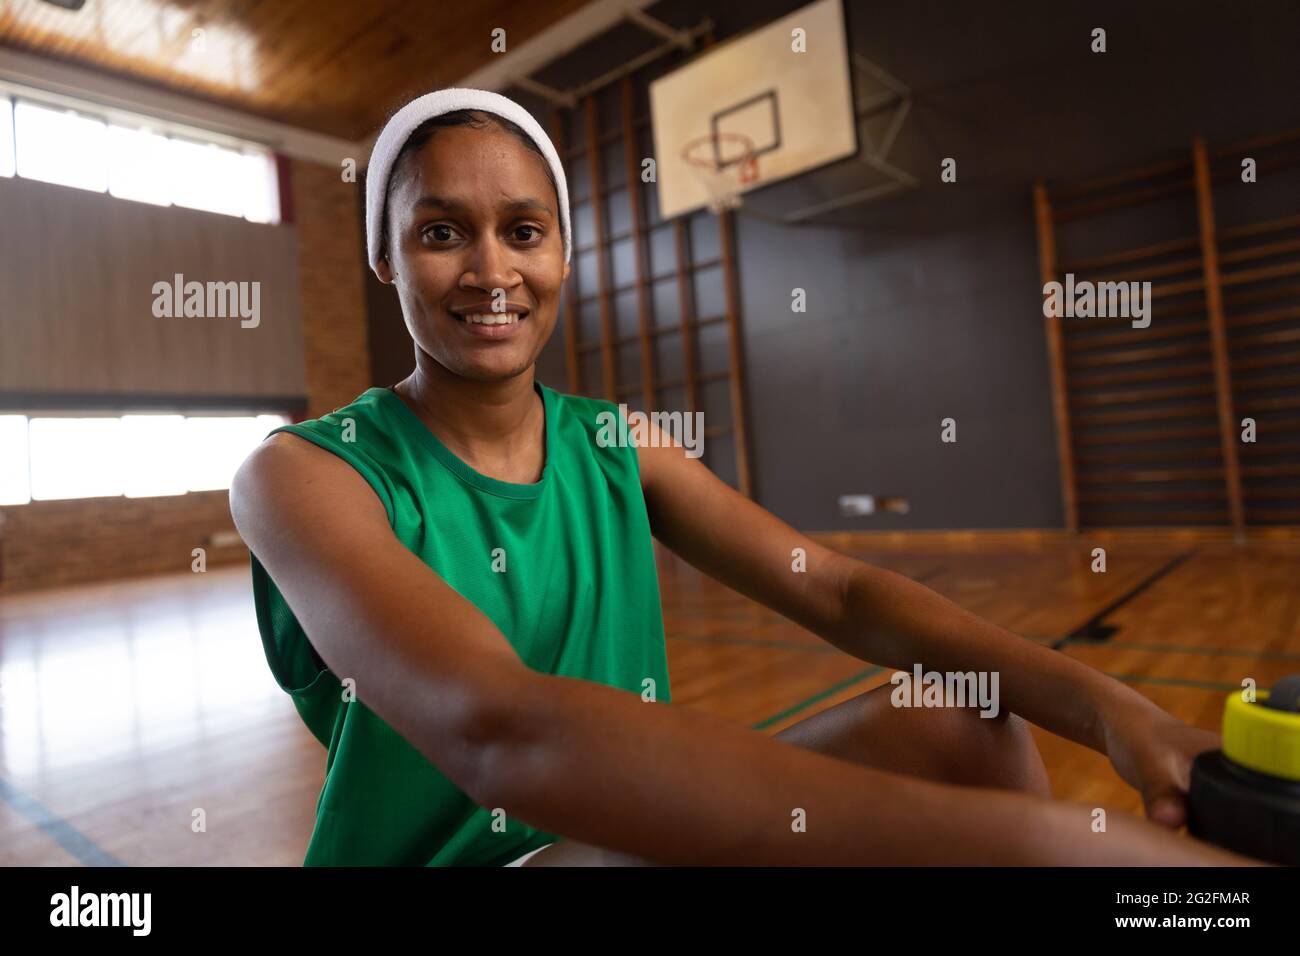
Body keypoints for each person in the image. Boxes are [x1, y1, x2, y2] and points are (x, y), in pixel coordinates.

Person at [229, 88, 1250, 866]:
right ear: (385, 258)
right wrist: (1040, 840)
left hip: (609, 844)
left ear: (564, 254)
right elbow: (499, 727)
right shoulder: (305, 474)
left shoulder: (615, 443)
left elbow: (839, 587)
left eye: (524, 231)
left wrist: (1119, 711)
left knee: (955, 714)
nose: (492, 270)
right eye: (440, 231)